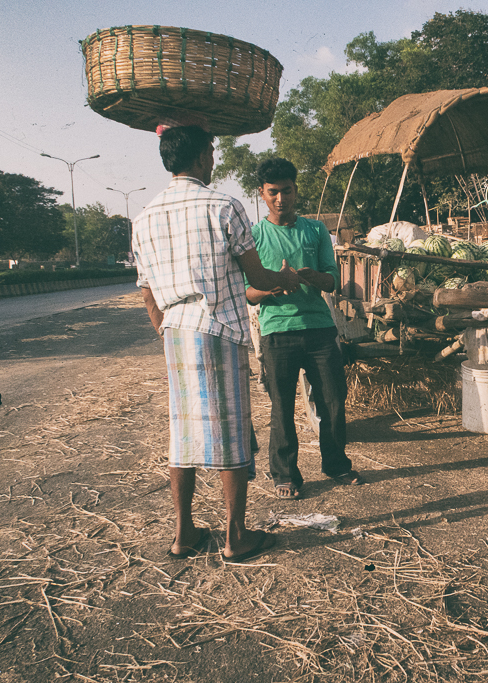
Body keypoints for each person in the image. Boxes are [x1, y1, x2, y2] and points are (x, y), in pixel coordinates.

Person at [133, 124, 299, 563]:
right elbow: (257, 277)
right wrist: (285, 279)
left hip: (175, 330)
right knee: (230, 433)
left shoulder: (144, 215)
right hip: (217, 328)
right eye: (210, 149)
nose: (213, 156)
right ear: (200, 157)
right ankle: (235, 536)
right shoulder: (223, 205)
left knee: (182, 433)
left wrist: (165, 326)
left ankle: (184, 534)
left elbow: (146, 289)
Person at [245, 158, 362, 500]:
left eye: (287, 191)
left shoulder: (314, 231)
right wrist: (274, 287)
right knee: (281, 406)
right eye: (273, 192)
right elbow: (249, 294)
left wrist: (311, 276)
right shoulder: (254, 236)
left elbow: (333, 280)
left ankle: (337, 465)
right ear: (262, 194)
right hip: (277, 332)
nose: (281, 198)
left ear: (296, 190)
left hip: (320, 330)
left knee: (334, 400)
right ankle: (285, 475)